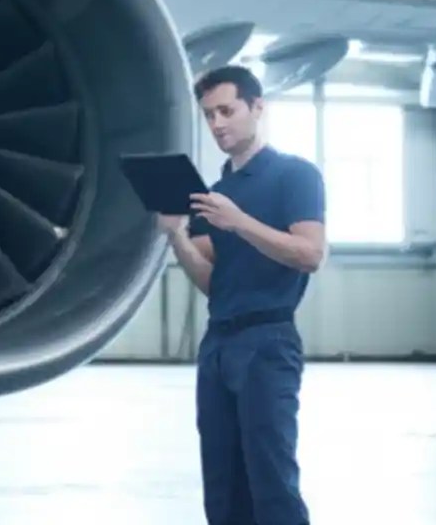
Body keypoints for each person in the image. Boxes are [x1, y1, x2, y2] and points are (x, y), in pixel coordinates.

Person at [158, 64, 326, 525]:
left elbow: (311, 254)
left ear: (257, 107)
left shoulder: (296, 175)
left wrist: (239, 223)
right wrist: (176, 236)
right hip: (218, 345)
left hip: (268, 342)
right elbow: (215, 282)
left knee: (271, 483)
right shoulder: (216, 194)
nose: (217, 124)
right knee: (223, 486)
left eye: (227, 111)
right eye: (209, 115)